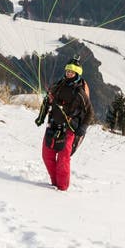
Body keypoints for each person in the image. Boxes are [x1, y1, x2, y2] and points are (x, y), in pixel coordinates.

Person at [35, 56, 94, 191]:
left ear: (77, 74)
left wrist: (83, 128)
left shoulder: (80, 93)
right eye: (67, 71)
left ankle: (62, 188)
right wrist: (41, 118)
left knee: (63, 159)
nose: (69, 74)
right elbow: (46, 102)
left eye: (72, 72)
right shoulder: (57, 86)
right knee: (47, 155)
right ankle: (54, 183)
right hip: (53, 125)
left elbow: (90, 112)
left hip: (69, 129)